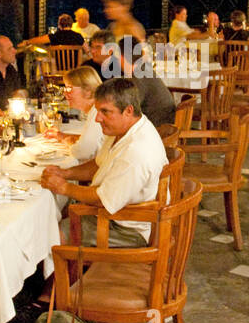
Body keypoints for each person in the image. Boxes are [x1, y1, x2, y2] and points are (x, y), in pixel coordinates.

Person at [40, 78, 169, 247]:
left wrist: (64, 187)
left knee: (48, 235)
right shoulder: (126, 128)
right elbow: (100, 163)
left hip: (128, 229)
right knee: (55, 214)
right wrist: (66, 173)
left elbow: (103, 199)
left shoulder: (136, 151)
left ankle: (63, 271)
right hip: (115, 214)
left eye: (105, 111)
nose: (97, 119)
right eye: (97, 111)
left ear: (128, 111)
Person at [111, 35, 175, 128]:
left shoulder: (138, 77)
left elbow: (130, 108)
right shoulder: (143, 69)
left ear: (121, 57)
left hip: (158, 127)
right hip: (164, 121)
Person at [55, 65, 104, 164]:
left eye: (69, 89)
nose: (65, 94)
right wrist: (63, 136)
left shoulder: (98, 112)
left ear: (87, 90)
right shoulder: (94, 110)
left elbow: (83, 152)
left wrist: (68, 141)